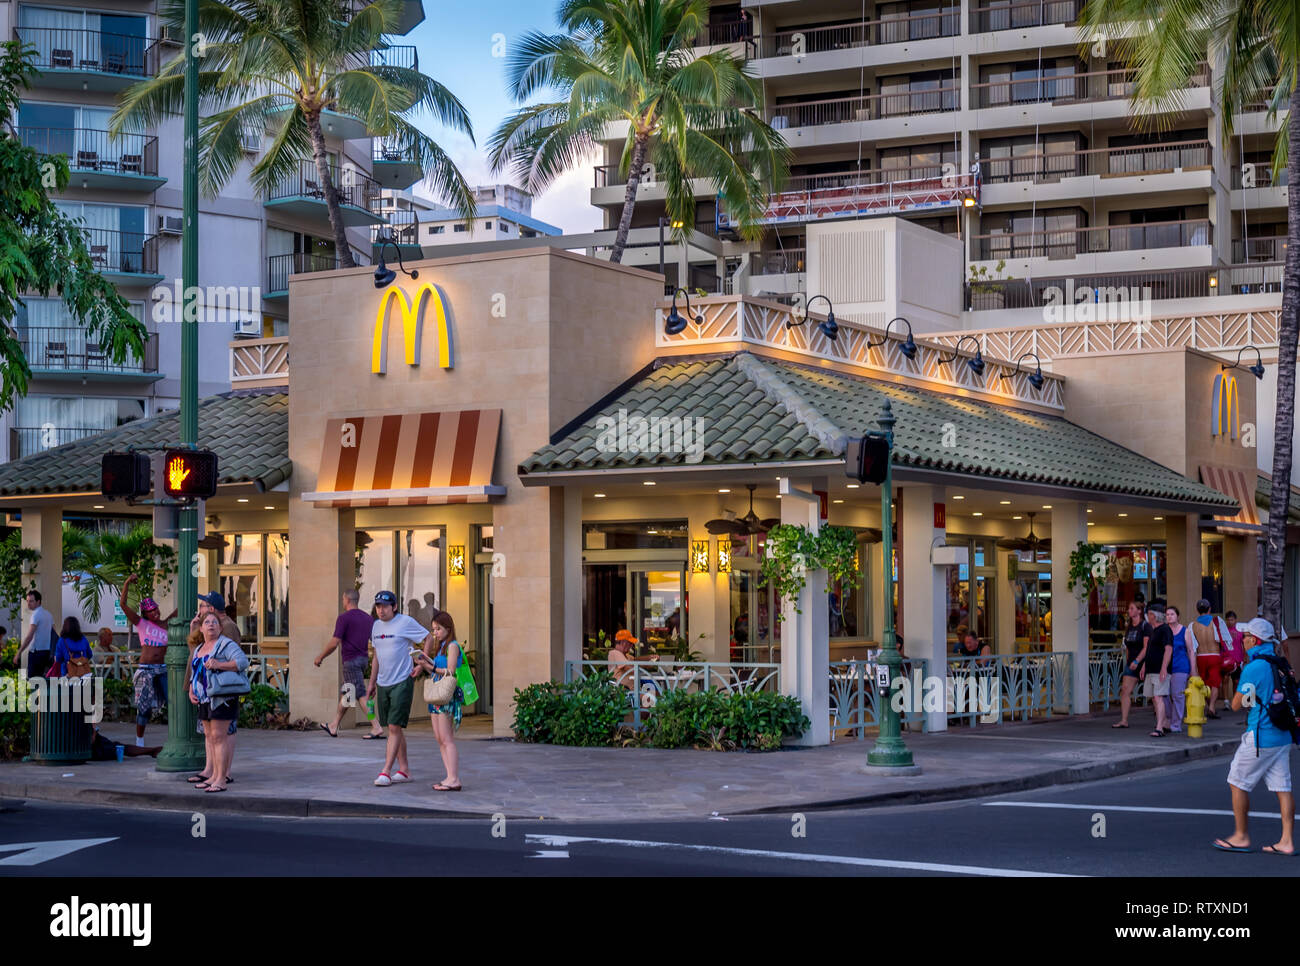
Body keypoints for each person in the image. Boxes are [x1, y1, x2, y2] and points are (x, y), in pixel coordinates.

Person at [1214, 618, 1296, 855]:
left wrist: (1246, 690)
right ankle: (1286, 840)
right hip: (1282, 736)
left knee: (1237, 781)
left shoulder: (1254, 667)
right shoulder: (1279, 662)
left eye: (1246, 636)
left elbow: (1238, 704)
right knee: (1283, 787)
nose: (1243, 639)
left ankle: (1240, 836)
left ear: (1255, 640)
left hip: (1261, 735)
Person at [366, 590, 432, 787]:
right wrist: (371, 682)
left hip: (402, 681)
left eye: (385, 606)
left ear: (394, 607)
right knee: (393, 727)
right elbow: (376, 655)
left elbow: (428, 637)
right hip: (383, 683)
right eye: (378, 606)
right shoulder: (376, 626)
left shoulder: (405, 622)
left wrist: (421, 664)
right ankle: (404, 770)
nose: (381, 610)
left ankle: (385, 771)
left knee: (394, 727)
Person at [187, 613, 248, 793]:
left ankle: (221, 779)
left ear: (220, 628)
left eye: (215, 622)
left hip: (222, 698)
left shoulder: (225, 644)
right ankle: (213, 775)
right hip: (204, 698)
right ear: (202, 628)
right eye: (207, 622)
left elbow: (242, 662)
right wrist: (191, 689)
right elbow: (194, 671)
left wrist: (218, 665)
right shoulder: (199, 648)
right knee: (210, 736)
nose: (211, 625)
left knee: (219, 737)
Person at [315, 589, 382, 739]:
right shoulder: (368, 619)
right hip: (364, 660)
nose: (342, 602)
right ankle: (334, 725)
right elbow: (375, 642)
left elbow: (334, 642)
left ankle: (376, 726)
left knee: (360, 694)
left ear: (346, 600)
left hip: (351, 661)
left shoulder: (344, 618)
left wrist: (321, 656)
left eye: (342, 599)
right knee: (348, 694)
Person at [413, 610, 464, 791]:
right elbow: (436, 671)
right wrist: (425, 664)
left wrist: (431, 665)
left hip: (446, 695)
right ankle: (449, 776)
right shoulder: (441, 646)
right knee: (439, 738)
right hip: (437, 694)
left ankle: (454, 778)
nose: (435, 633)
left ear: (448, 629)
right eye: (434, 629)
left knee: (446, 738)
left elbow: (450, 671)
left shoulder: (452, 646)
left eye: (438, 629)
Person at [121, 575, 172, 747]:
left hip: (163, 668)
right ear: (145, 613)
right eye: (152, 611)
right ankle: (139, 740)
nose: (156, 612)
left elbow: (182, 610)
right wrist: (127, 583)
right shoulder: (140, 623)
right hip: (145, 668)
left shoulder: (166, 624)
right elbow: (123, 605)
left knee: (172, 703)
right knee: (144, 708)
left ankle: (176, 738)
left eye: (157, 609)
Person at [1190, 599, 1231, 719]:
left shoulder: (1193, 625)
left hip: (1201, 657)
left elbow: (1192, 646)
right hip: (1215, 655)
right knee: (1214, 684)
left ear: (1197, 610)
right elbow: (1227, 639)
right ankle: (1212, 707)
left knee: (1203, 682)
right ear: (1210, 609)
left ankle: (1206, 706)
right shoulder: (1217, 621)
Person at [1115, 601, 1150, 728]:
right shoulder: (1129, 627)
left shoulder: (1145, 626)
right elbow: (1128, 645)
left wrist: (1137, 661)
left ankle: (1164, 721)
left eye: (1132, 608)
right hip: (1131, 663)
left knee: (1156, 694)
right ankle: (1124, 720)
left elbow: (1147, 647)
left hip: (1144, 662)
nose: (1129, 611)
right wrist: (1129, 660)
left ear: (1139, 611)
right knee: (1125, 690)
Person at [1140, 601, 1172, 737]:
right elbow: (1150, 650)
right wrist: (1144, 665)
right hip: (1151, 669)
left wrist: (1164, 668)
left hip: (1159, 669)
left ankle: (1159, 727)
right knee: (1154, 697)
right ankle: (1164, 723)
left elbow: (1168, 649)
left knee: (1158, 697)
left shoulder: (1165, 629)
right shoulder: (1154, 630)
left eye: (1149, 613)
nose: (1147, 616)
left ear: (1153, 615)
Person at [1166, 605, 1195, 733]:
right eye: (1167, 614)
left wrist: (1193, 669)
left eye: (1172, 614)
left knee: (1178, 695)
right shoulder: (1164, 630)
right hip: (1166, 668)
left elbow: (1191, 651)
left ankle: (1176, 723)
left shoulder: (1185, 631)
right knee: (1163, 695)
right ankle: (1166, 720)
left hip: (1180, 666)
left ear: (1177, 616)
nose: (1169, 616)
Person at [13, 590, 54, 679]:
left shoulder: (36, 615)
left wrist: (18, 653)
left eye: (31, 601)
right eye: (27, 601)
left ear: (38, 601)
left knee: (33, 681)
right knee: (42, 680)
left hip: (36, 652)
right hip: (46, 652)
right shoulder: (48, 615)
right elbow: (52, 632)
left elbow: (29, 637)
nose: (28, 604)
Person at [1222, 611, 1247, 709]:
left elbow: (1244, 645)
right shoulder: (1223, 631)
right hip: (1226, 660)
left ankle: (1234, 701)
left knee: (1236, 681)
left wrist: (1245, 657)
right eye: (1228, 620)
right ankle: (1226, 701)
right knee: (1225, 679)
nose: (1230, 621)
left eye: (1232, 619)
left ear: (1235, 620)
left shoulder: (1240, 632)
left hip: (1238, 659)